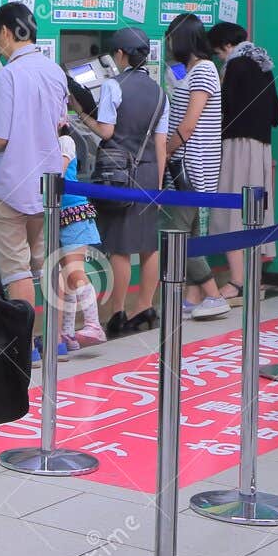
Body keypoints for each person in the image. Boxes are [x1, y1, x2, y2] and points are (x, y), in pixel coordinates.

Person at [0, 2, 68, 317]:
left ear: (6, 32)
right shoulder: (55, 71)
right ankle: (58, 339)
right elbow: (59, 124)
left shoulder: (7, 76)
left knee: (16, 271)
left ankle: (25, 350)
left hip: (8, 188)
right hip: (45, 188)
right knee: (45, 262)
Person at [72, 28, 167, 338]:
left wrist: (81, 115)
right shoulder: (159, 91)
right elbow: (161, 142)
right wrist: (158, 182)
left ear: (122, 55)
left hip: (119, 174)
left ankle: (117, 313)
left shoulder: (114, 84)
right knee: (148, 245)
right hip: (150, 172)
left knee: (121, 247)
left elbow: (107, 132)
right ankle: (144, 306)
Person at [161, 13, 231, 319]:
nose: (166, 44)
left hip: (192, 163)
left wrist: (163, 151)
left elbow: (188, 125)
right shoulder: (191, 70)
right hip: (184, 162)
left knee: (174, 233)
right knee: (188, 234)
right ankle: (195, 298)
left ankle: (214, 296)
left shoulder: (203, 71)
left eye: (169, 38)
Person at [208, 21, 278, 301]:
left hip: (236, 145)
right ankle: (255, 280)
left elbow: (221, 112)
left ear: (226, 46)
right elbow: (277, 114)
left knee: (232, 213)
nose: (220, 57)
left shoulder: (234, 66)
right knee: (256, 215)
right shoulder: (263, 62)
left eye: (218, 52)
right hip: (261, 147)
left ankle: (238, 282)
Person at [56, 119, 105, 347]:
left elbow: (58, 170)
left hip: (73, 213)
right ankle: (67, 334)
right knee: (65, 279)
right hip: (58, 214)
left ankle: (94, 325)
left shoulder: (65, 141)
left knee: (75, 274)